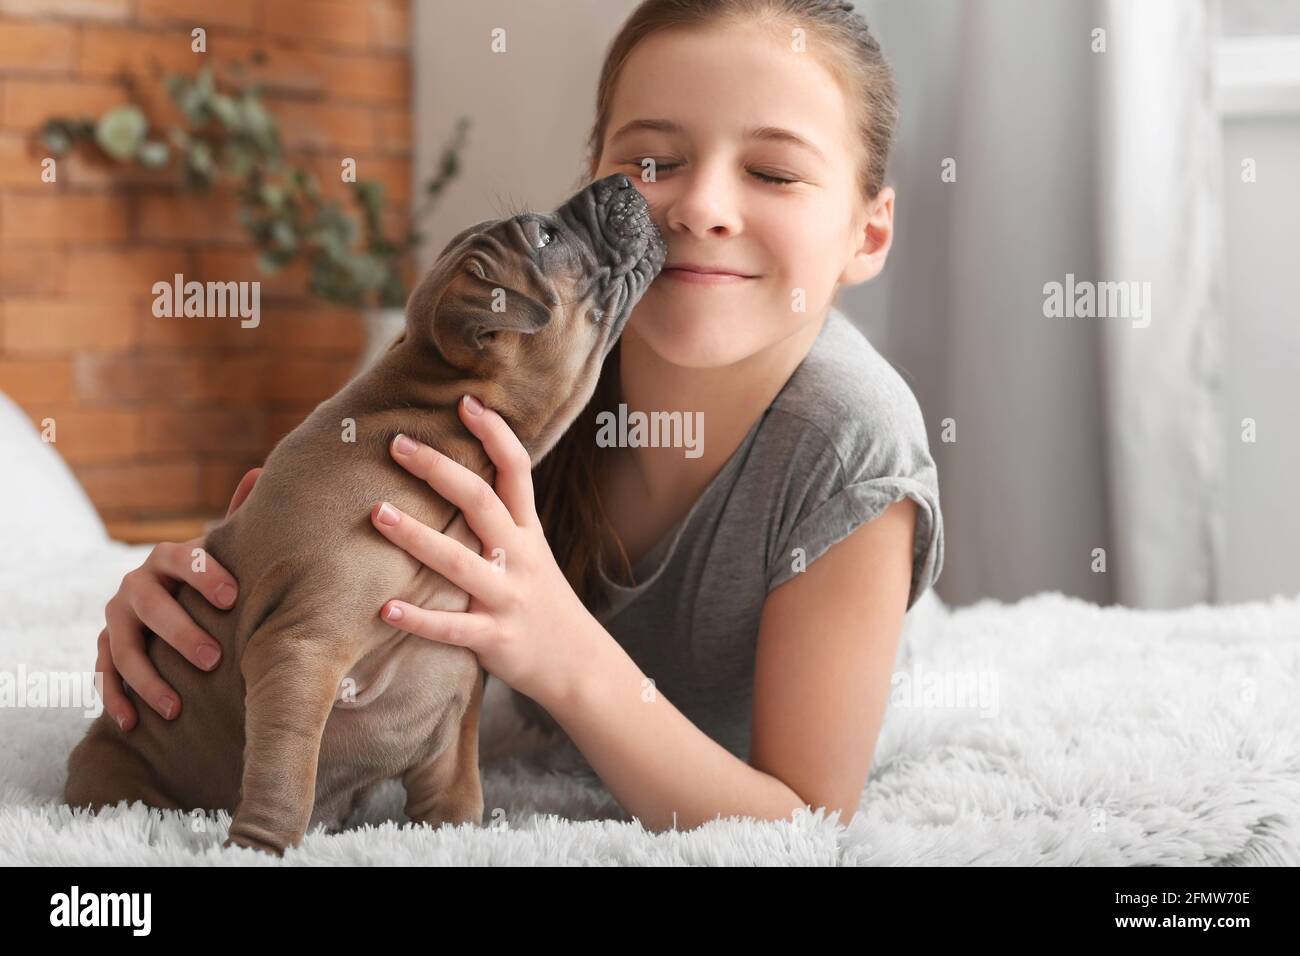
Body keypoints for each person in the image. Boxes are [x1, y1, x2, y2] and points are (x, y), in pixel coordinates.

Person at [94, 0, 943, 832]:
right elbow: (307, 551)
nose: (698, 207)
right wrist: (195, 602)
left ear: (867, 236)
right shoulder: (516, 351)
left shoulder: (853, 449)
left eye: (773, 172)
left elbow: (809, 822)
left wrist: (559, 649)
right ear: (595, 180)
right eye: (652, 163)